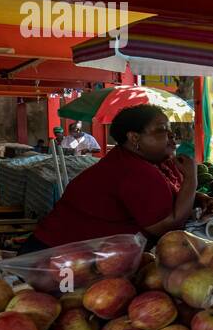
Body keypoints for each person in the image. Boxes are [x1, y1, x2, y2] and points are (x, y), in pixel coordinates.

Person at [25, 105, 197, 251]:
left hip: (64, 251)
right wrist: (191, 179)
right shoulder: (134, 170)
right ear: (134, 138)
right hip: (55, 258)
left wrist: (199, 198)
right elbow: (165, 227)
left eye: (170, 130)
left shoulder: (130, 160)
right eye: (161, 130)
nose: (171, 136)